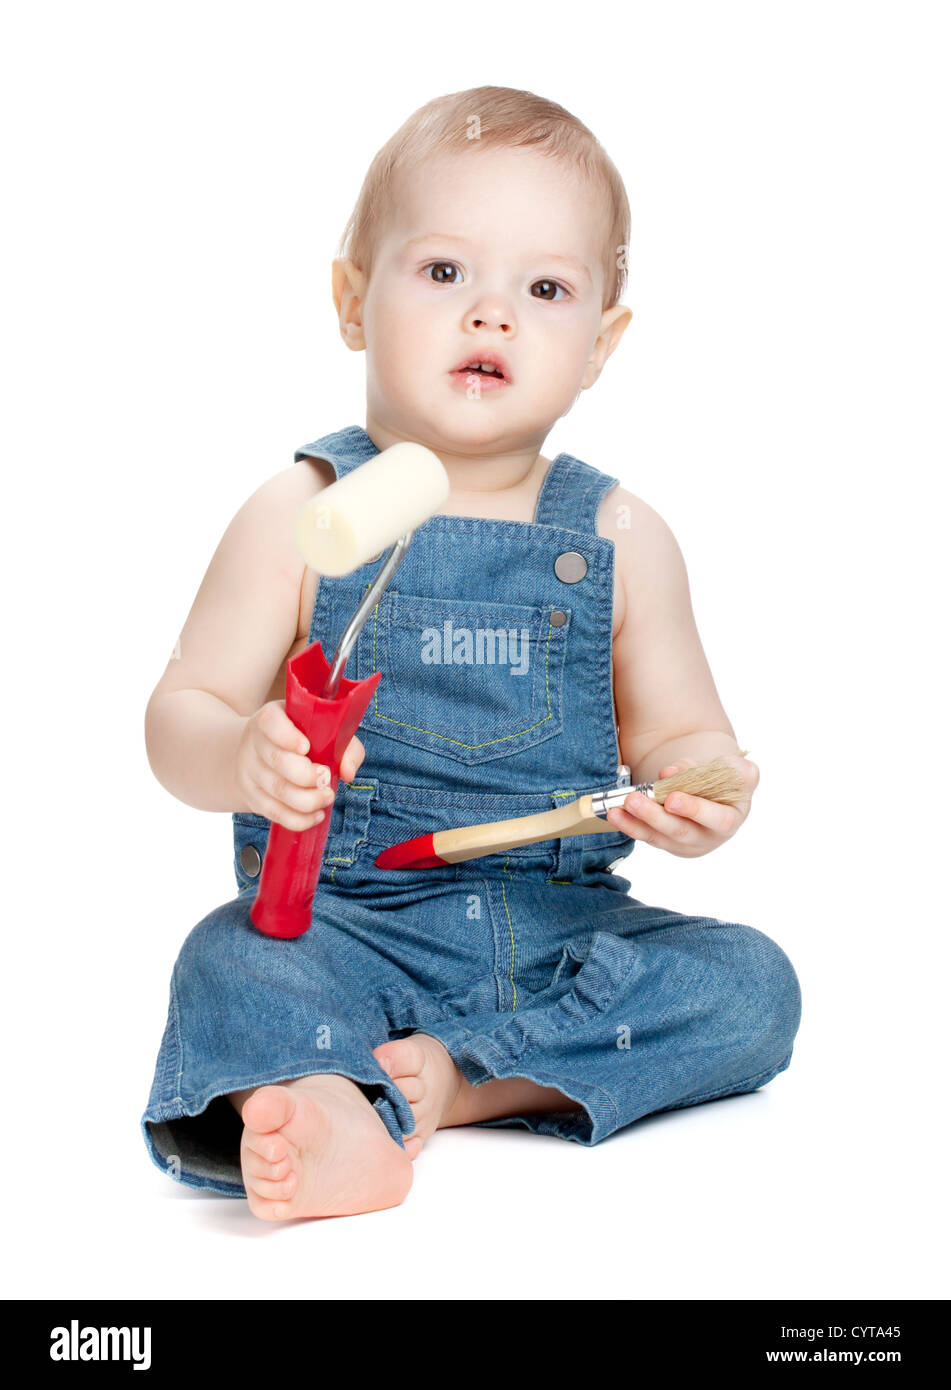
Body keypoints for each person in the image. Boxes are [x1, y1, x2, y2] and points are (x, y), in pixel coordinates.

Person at [141, 85, 801, 1221]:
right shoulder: (299, 512)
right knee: (226, 958)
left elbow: (685, 732)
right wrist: (240, 753)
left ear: (599, 344)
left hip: (555, 931)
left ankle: (457, 1084)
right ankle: (330, 1094)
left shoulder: (621, 539)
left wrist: (704, 789)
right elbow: (178, 715)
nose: (490, 315)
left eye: (543, 290)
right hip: (341, 924)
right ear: (353, 298)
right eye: (445, 273)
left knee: (753, 988)